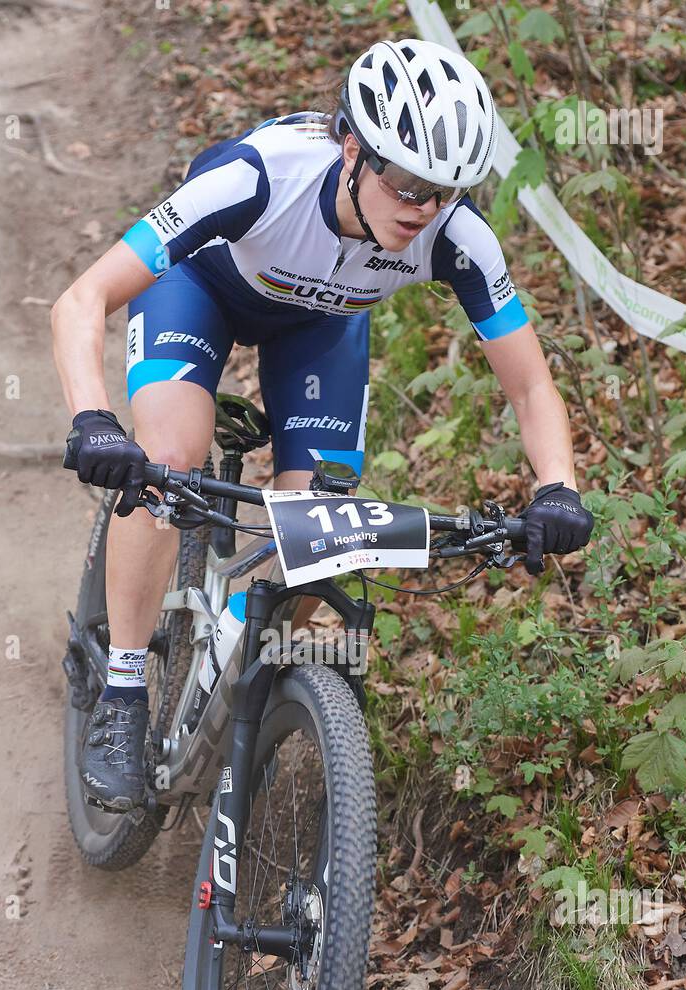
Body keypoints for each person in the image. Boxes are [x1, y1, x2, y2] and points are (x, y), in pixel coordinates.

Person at [51, 36, 594, 812]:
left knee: (321, 536)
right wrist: (93, 420)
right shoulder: (256, 178)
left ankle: (241, 666)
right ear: (351, 147)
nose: (421, 208)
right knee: (172, 455)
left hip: (321, 328)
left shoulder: (457, 237)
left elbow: (532, 386)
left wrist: (557, 488)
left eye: (444, 190)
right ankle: (125, 692)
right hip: (199, 292)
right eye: (405, 181)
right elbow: (81, 299)